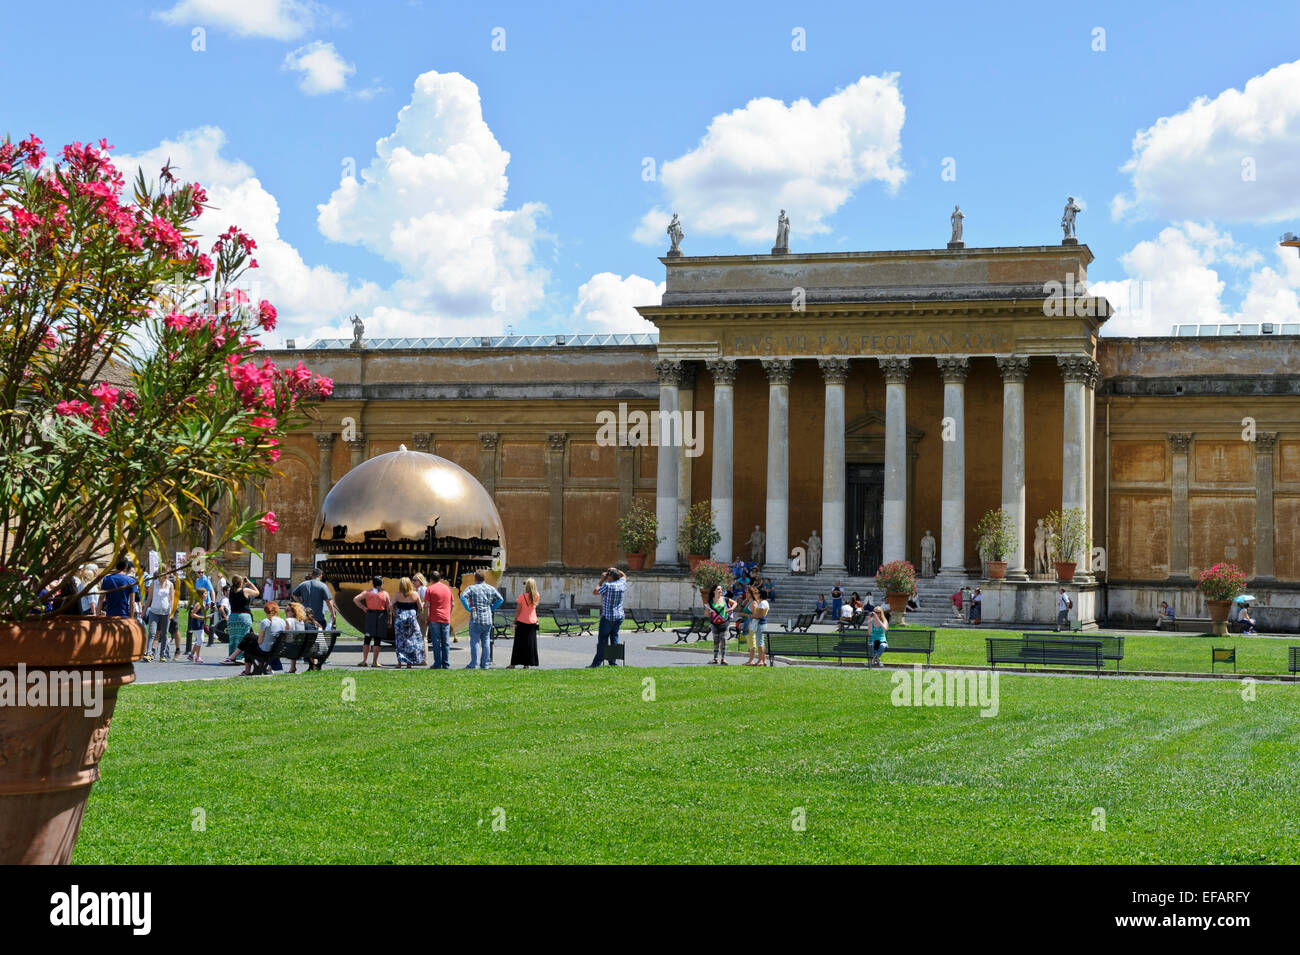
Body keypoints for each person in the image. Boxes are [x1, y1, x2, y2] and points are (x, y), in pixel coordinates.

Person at [460, 570, 502, 669]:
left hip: (475, 618)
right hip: (487, 619)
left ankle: (474, 664)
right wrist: (491, 608)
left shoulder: (471, 588)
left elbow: (463, 597)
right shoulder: (490, 588)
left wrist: (468, 608)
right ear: (484, 578)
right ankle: (485, 664)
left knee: (475, 642)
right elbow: (500, 599)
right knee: (486, 641)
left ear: (475, 578)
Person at [588, 567, 627, 668]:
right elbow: (624, 575)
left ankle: (596, 663)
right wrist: (615, 569)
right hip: (619, 616)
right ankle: (612, 662)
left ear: (610, 577)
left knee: (603, 641)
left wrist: (601, 580)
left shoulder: (608, 585)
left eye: (608, 575)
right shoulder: (622, 584)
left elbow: (595, 591)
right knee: (614, 638)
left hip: (607, 617)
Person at [353, 576, 392, 668]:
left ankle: (365, 660)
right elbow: (389, 608)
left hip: (370, 615)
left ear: (373, 583)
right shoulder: (385, 593)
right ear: (381, 583)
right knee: (377, 639)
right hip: (381, 615)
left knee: (367, 638)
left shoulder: (367, 592)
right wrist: (390, 619)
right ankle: (374, 662)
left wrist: (363, 608)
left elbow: (355, 599)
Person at [240, 600, 285, 675]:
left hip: (265, 650)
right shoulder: (282, 621)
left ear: (265, 611)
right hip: (276, 649)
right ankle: (261, 667)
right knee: (249, 637)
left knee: (248, 645)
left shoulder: (265, 622)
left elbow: (259, 641)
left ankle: (247, 671)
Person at [391, 577, 426, 668]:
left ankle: (399, 663)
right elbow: (421, 607)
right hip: (412, 621)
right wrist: (419, 614)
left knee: (400, 641)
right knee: (411, 641)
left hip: (400, 620)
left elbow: (390, 605)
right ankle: (409, 663)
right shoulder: (415, 594)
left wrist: (393, 612)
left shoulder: (397, 595)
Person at [223, 575, 259, 664]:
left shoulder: (230, 591)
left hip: (233, 617)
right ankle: (241, 657)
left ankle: (231, 657)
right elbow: (257, 593)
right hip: (244, 616)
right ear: (241, 582)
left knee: (233, 638)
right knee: (243, 638)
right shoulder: (245, 590)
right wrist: (250, 583)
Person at [143, 565, 175, 662]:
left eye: (168, 573)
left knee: (164, 634)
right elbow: (149, 598)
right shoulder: (154, 583)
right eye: (165, 573)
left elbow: (172, 599)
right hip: (154, 611)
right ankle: (148, 654)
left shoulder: (170, 584)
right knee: (152, 633)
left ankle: (163, 654)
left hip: (165, 612)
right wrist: (144, 611)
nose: (167, 575)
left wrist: (171, 612)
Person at [424, 570, 453, 669]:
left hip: (434, 617)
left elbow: (427, 605)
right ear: (440, 578)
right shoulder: (447, 588)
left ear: (431, 579)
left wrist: (427, 618)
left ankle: (437, 663)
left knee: (436, 641)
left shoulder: (429, 589)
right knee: (445, 642)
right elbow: (452, 604)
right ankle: (446, 663)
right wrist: (448, 614)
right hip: (445, 618)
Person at [510, 578, 541, 668]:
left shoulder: (522, 596)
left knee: (518, 644)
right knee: (530, 644)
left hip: (522, 621)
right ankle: (526, 664)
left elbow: (518, 610)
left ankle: (513, 664)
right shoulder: (537, 595)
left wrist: (514, 620)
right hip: (532, 622)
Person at [101, 557, 141, 621]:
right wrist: (131, 618)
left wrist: (97, 615)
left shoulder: (107, 579)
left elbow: (101, 598)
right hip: (124, 615)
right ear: (126, 566)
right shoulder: (131, 581)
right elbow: (132, 602)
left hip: (110, 615)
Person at [706, 584, 736, 664]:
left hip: (724, 622)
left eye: (721, 589)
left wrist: (731, 609)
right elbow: (706, 613)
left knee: (723, 640)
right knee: (716, 641)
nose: (721, 591)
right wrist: (709, 611)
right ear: (714, 591)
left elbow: (735, 603)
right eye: (718, 589)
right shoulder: (710, 601)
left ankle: (723, 658)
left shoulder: (725, 599)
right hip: (714, 623)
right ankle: (715, 658)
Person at [750, 588, 769, 667]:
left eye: (757, 593)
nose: (756, 594)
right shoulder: (764, 602)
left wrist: (751, 615)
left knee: (760, 643)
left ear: (760, 594)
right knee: (761, 643)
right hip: (762, 623)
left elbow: (759, 615)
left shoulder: (762, 603)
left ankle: (760, 660)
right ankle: (763, 660)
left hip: (760, 623)